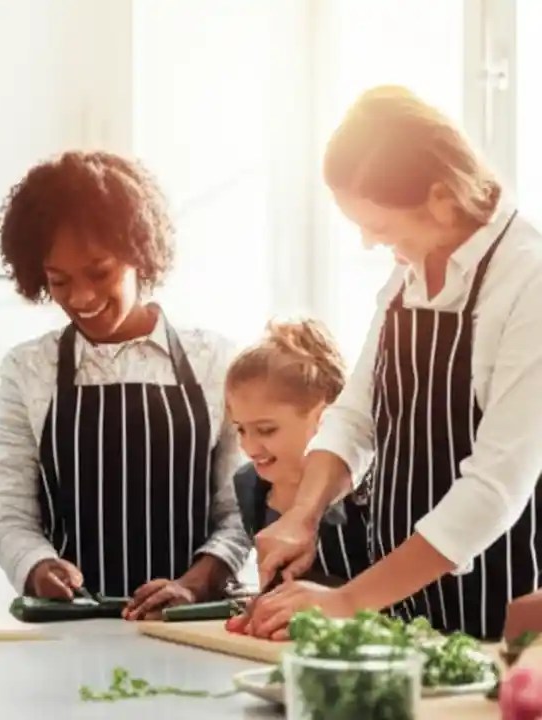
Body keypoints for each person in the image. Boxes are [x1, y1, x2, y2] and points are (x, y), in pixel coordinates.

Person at [250, 85, 542, 641]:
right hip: (398, 607)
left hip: (503, 609)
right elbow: (357, 413)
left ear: (441, 198)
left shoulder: (529, 280)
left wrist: (346, 601)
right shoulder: (411, 269)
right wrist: (302, 516)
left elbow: (495, 489)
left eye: (379, 227)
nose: (366, 244)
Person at [0, 150, 250, 619]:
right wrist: (37, 566)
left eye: (100, 272)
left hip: (188, 626)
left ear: (141, 251)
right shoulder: (28, 368)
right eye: (59, 281)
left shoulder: (215, 361)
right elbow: (12, 518)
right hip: (70, 628)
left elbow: (236, 512)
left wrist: (193, 584)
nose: (81, 297)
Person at [225, 318, 371, 587]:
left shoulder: (367, 490)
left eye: (266, 430)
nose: (249, 447)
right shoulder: (248, 485)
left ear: (324, 418)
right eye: (241, 430)